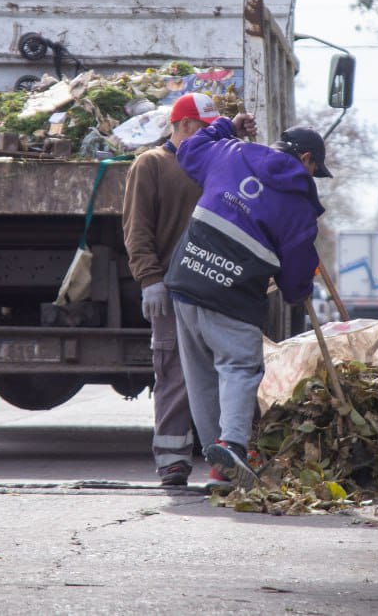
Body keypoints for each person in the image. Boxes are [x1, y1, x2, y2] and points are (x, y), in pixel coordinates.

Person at [164, 115, 331, 486]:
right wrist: (298, 291)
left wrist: (226, 125)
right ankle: (233, 447)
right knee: (239, 366)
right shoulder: (299, 205)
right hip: (233, 292)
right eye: (315, 169)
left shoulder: (230, 152)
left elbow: (188, 149)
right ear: (306, 159)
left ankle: (218, 461)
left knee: (201, 374)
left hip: (186, 278)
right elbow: (296, 274)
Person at [121, 92, 223, 487]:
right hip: (171, 288)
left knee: (221, 375)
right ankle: (172, 461)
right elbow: (137, 228)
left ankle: (222, 457)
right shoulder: (152, 164)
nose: (210, 136)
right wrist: (150, 280)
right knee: (175, 375)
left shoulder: (216, 163)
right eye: (203, 128)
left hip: (213, 289)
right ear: (182, 126)